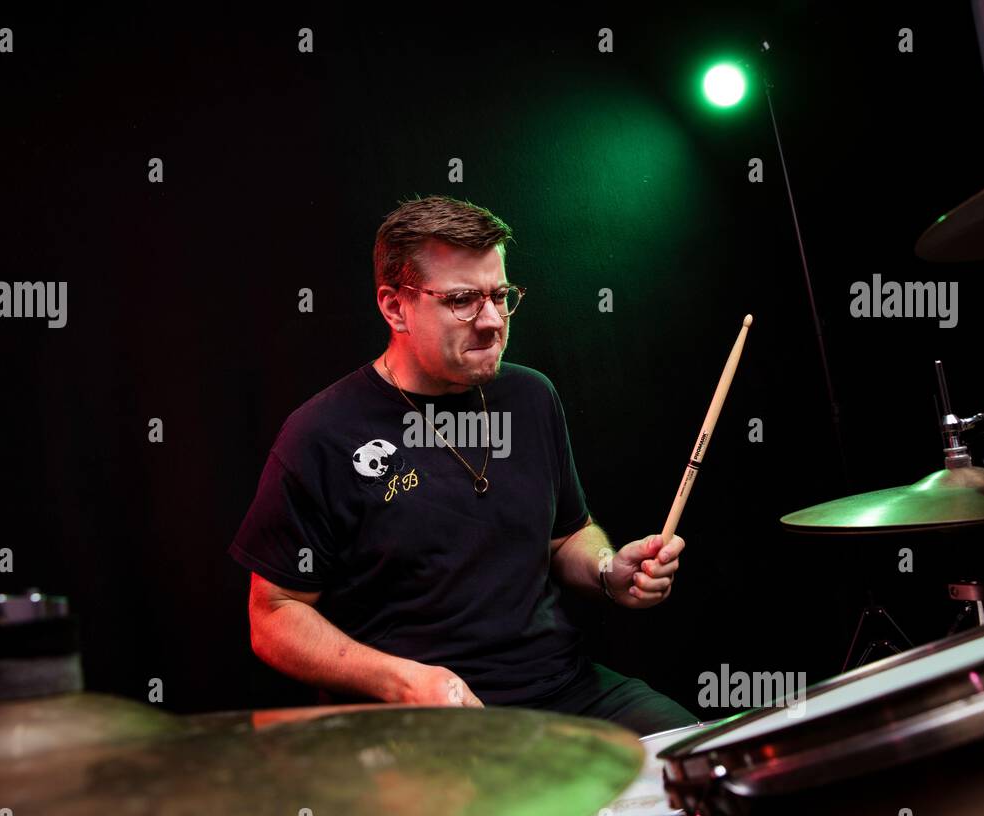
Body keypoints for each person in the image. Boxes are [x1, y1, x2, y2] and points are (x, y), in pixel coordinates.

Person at [228, 195, 697, 735]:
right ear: (394, 306)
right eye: (463, 300)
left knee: (701, 770)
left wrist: (609, 571)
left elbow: (568, 536)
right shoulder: (321, 434)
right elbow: (273, 615)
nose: (492, 321)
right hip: (421, 723)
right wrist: (404, 682)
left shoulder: (531, 397)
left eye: (500, 296)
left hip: (566, 692)